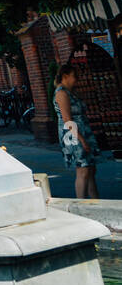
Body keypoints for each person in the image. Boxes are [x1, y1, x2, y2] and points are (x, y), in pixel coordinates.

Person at [54, 64, 100, 199]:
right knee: (83, 170)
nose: (77, 79)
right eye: (74, 76)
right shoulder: (61, 93)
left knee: (90, 169)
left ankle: (95, 201)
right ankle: (81, 203)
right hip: (73, 135)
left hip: (83, 131)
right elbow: (67, 119)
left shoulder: (71, 92)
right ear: (65, 76)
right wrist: (82, 140)